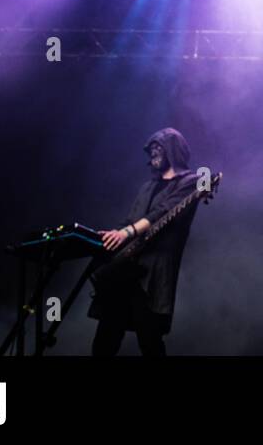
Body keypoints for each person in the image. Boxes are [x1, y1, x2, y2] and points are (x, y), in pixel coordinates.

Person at [87, 127, 201, 356]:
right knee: (105, 338)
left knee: (149, 340)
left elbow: (162, 212)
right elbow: (131, 220)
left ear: (172, 150)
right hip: (125, 269)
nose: (153, 154)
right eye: (151, 150)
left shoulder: (190, 181)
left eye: (158, 148)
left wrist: (126, 232)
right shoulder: (147, 186)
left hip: (152, 272)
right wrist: (113, 234)